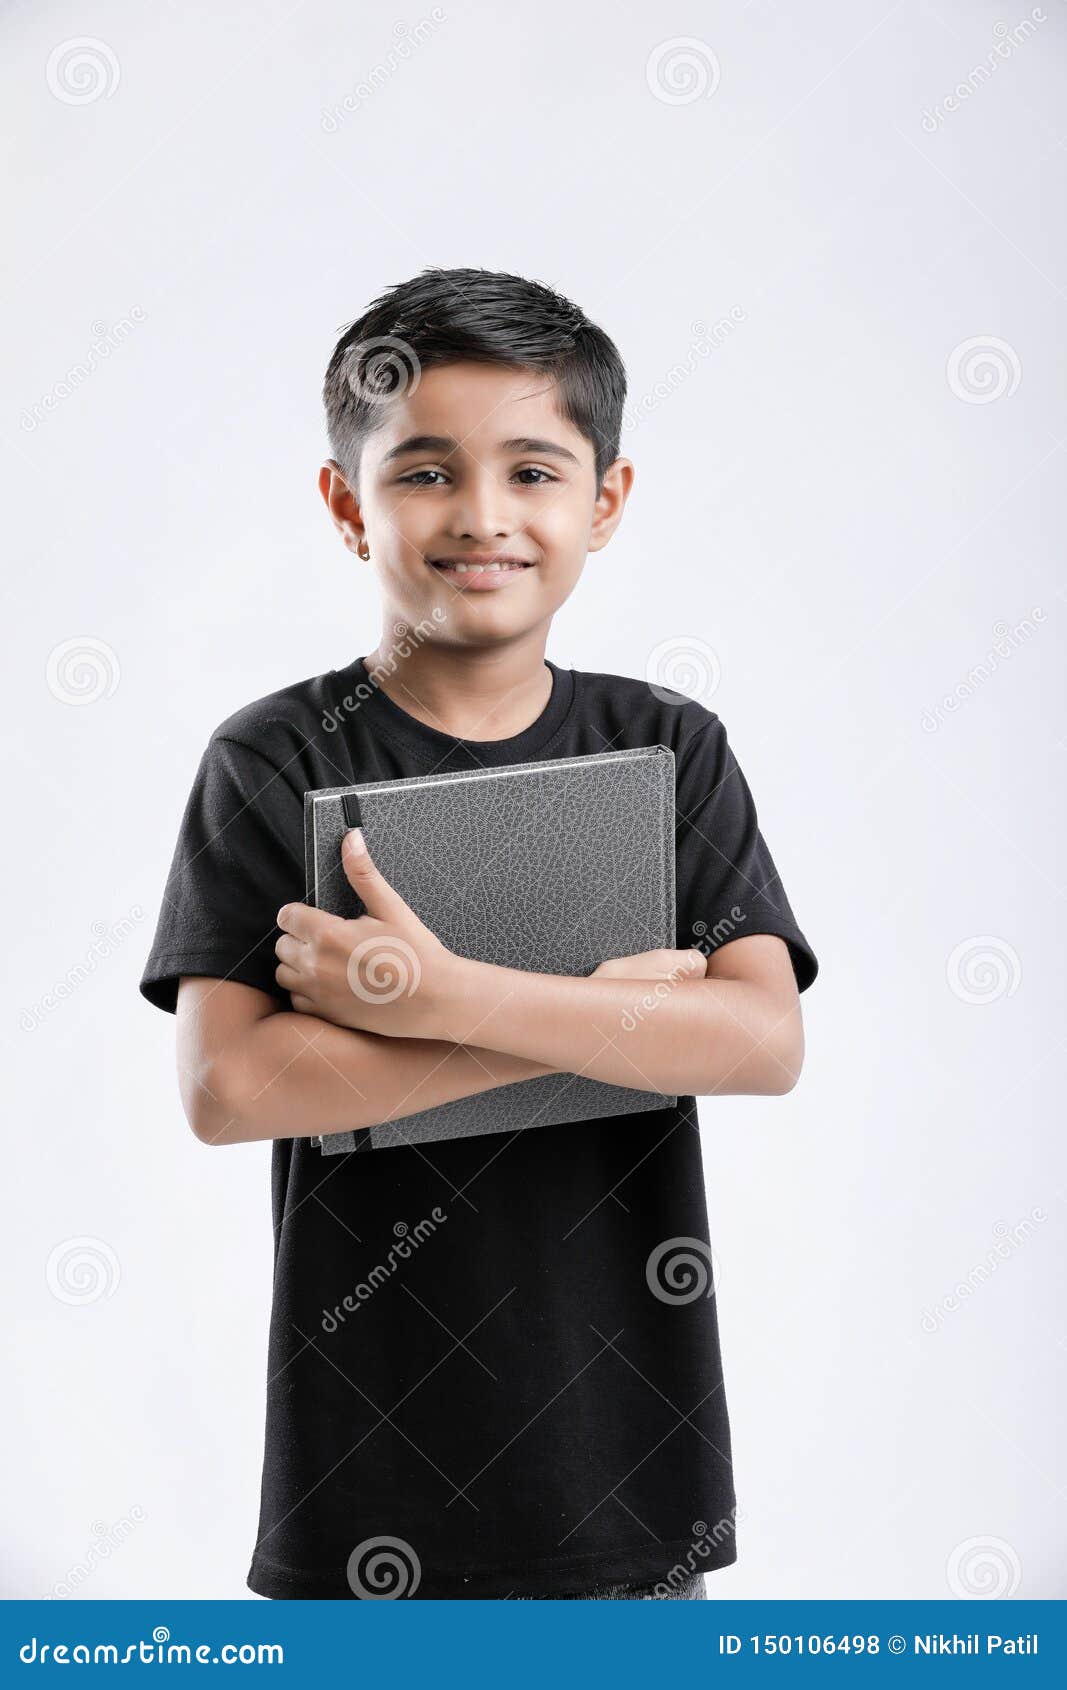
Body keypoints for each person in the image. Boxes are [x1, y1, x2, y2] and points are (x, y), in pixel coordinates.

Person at [140, 266, 819, 1600]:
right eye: (427, 473)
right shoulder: (270, 759)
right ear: (348, 505)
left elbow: (762, 1037)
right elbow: (229, 1089)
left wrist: (437, 996)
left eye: (533, 471)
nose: (484, 517)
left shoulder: (668, 748)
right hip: (362, 1501)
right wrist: (608, 1022)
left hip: (629, 1491)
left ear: (605, 501)